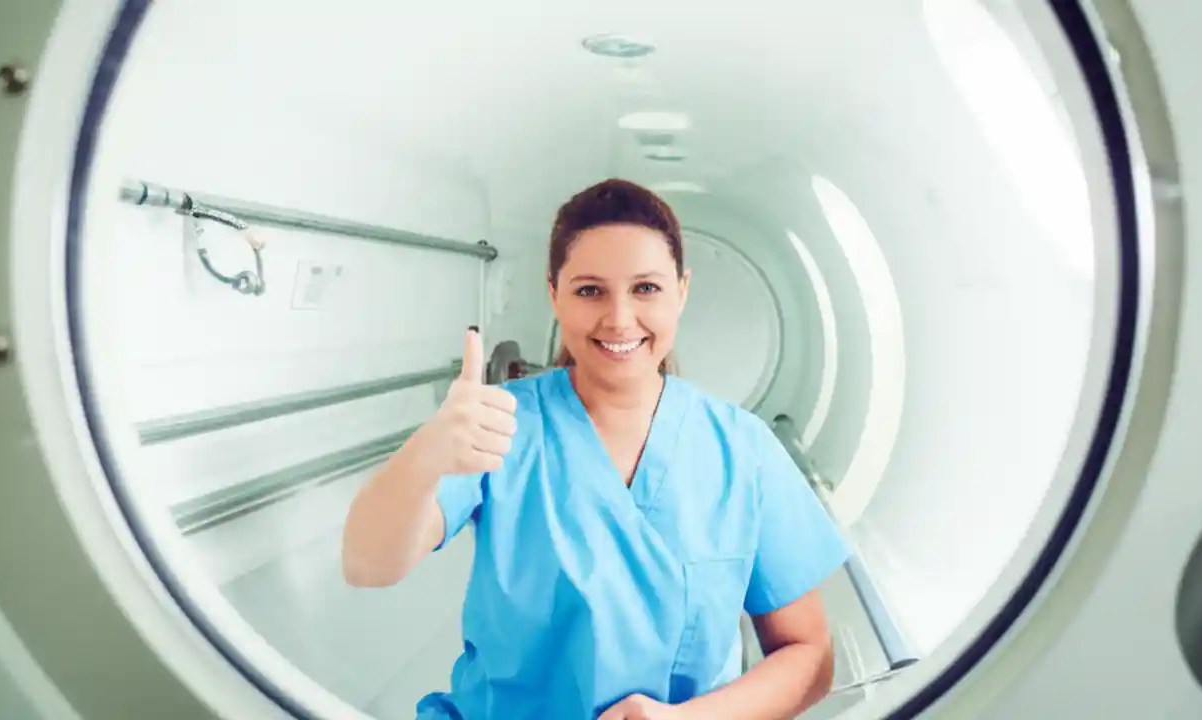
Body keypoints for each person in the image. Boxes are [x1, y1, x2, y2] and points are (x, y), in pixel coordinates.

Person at [342, 179, 849, 720]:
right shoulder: (500, 423)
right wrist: (424, 455)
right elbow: (367, 565)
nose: (619, 318)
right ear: (553, 293)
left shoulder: (743, 451)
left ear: (681, 290)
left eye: (646, 289)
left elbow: (808, 654)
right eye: (590, 290)